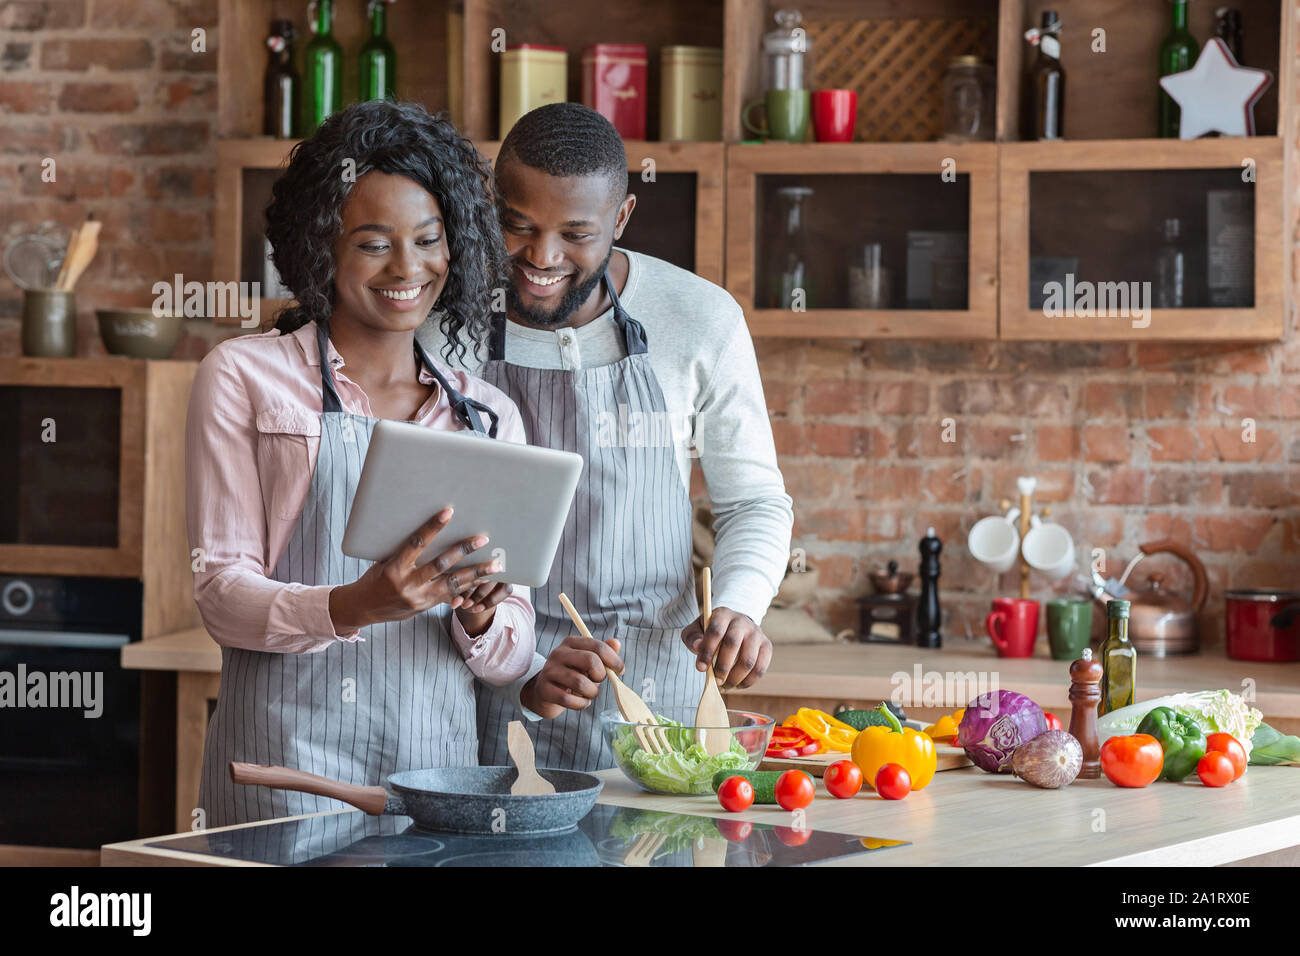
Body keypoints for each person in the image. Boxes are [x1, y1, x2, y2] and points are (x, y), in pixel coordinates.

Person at [188, 100, 535, 827]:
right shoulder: (244, 377)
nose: (408, 268)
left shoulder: (489, 417)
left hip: (434, 780)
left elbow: (511, 656)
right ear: (322, 247)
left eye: (428, 239)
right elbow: (219, 593)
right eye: (373, 243)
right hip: (285, 775)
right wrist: (353, 606)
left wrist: (482, 620)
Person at [418, 103, 793, 770]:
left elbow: (754, 502)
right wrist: (524, 664)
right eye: (518, 226)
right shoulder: (441, 325)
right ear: (490, 204)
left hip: (663, 690)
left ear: (620, 220)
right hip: (494, 688)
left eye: (576, 233)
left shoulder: (699, 318)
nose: (541, 257)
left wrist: (738, 605)